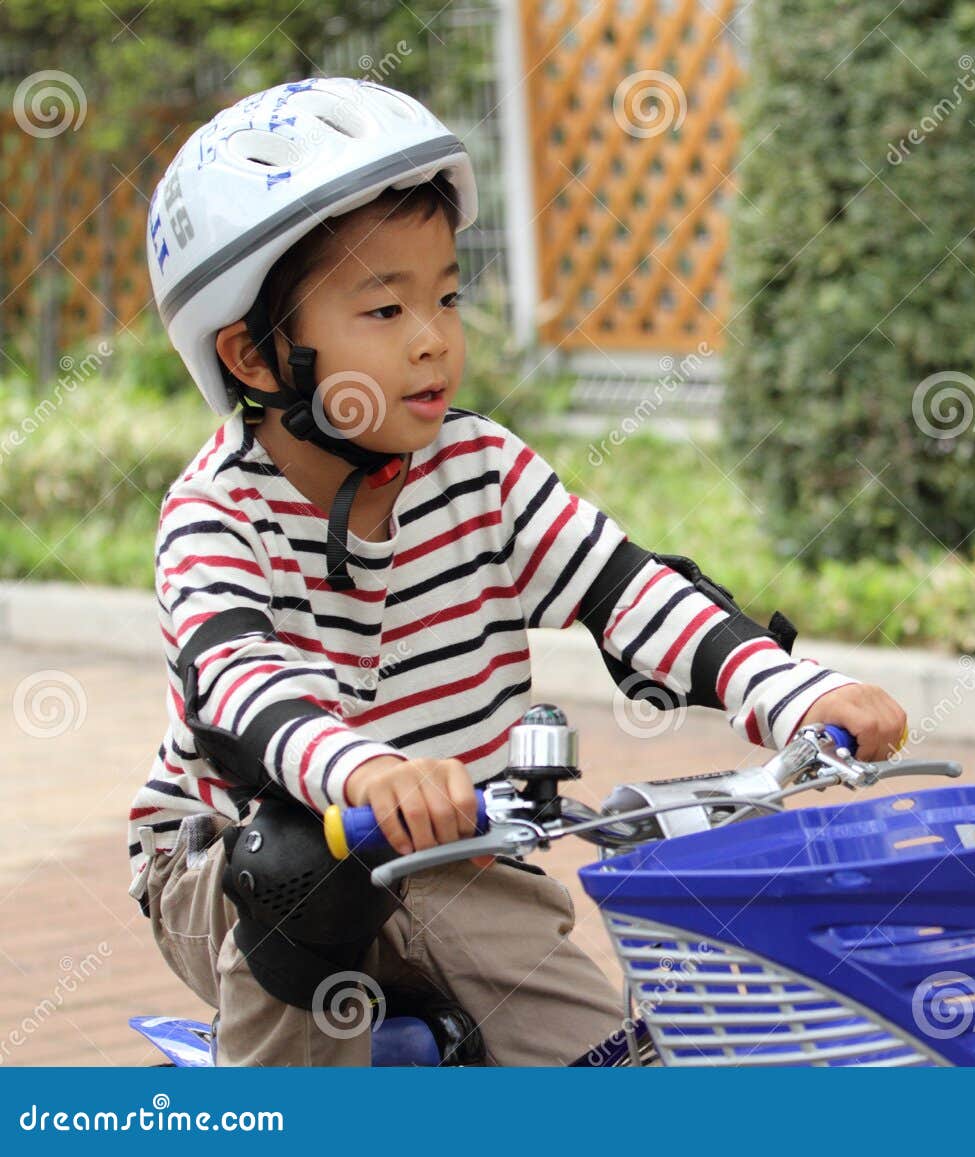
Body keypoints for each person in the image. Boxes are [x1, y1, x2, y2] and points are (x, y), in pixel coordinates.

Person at [128, 77, 908, 1066]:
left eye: (445, 295)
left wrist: (796, 689)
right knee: (300, 858)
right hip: (229, 873)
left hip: (460, 858)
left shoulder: (483, 470)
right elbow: (237, 681)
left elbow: (631, 592)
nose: (431, 335)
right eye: (384, 306)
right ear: (253, 352)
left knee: (614, 1067)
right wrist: (364, 768)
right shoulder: (216, 513)